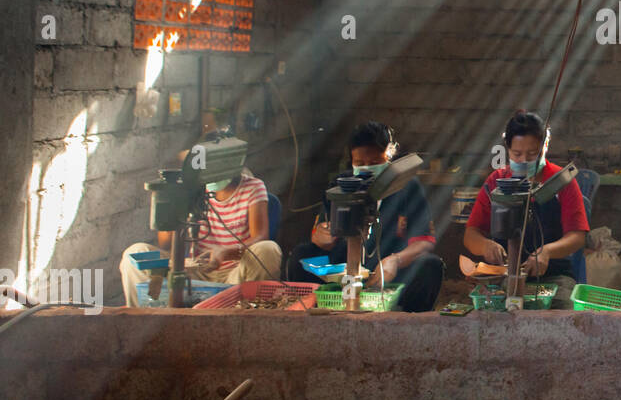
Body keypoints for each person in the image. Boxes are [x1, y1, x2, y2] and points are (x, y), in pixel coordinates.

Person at [285, 122, 443, 313]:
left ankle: (408, 325)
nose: (367, 169)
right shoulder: (339, 187)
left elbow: (424, 241)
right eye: (359, 164)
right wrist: (322, 237)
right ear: (351, 161)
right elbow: (319, 233)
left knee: (430, 266)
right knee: (301, 255)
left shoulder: (407, 187)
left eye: (375, 163)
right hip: (342, 271)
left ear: (389, 158)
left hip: (388, 274)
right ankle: (315, 318)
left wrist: (396, 260)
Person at [119, 140, 281, 307]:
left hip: (234, 273)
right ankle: (141, 317)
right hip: (195, 273)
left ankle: (251, 317)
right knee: (134, 253)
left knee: (268, 249)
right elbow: (165, 244)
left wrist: (225, 253)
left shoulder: (252, 187)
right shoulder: (194, 187)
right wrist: (171, 203)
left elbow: (261, 236)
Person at [462, 111, 589, 309]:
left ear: (544, 147)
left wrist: (547, 252)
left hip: (553, 275)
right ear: (507, 149)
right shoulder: (496, 182)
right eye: (517, 154)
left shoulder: (560, 182)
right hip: (503, 274)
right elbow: (471, 234)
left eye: (532, 154)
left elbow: (577, 236)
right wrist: (485, 246)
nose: (524, 161)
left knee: (558, 317)